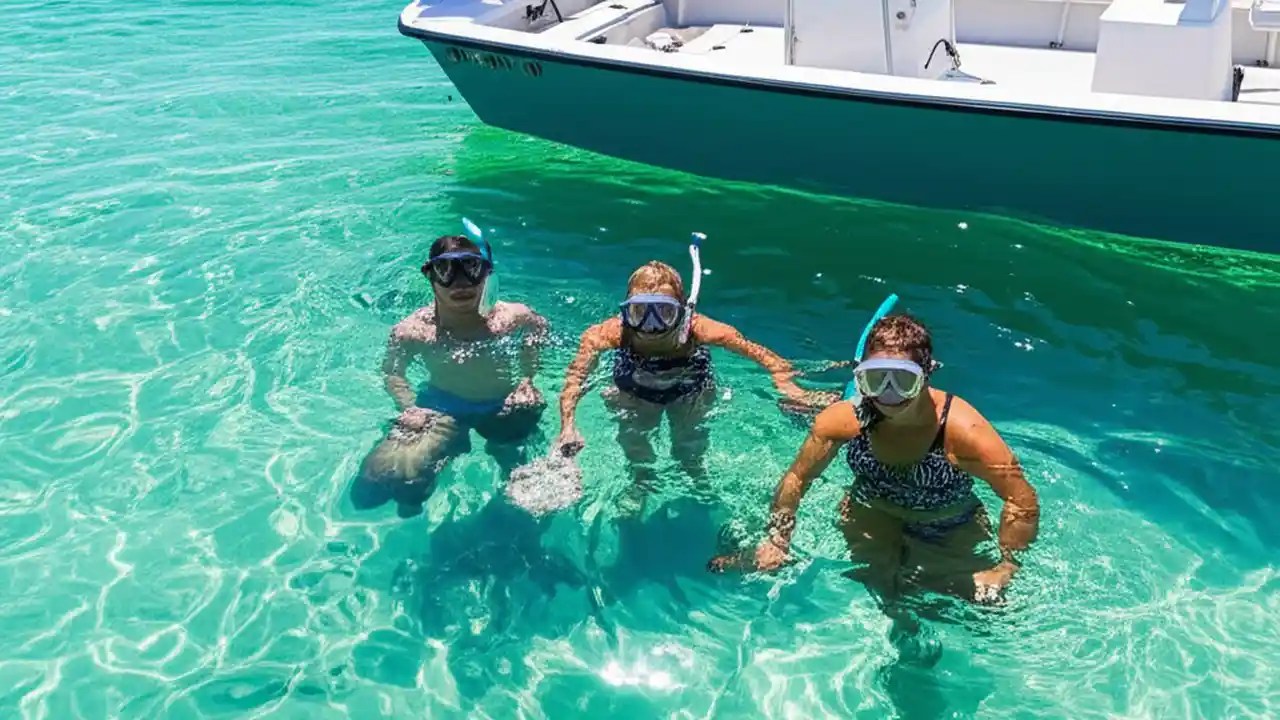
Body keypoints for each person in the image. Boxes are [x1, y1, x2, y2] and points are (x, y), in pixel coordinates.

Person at [710, 313, 1040, 604]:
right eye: (876, 379)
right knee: (880, 588)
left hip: (947, 523)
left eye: (903, 380)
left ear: (927, 374)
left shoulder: (963, 431)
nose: (888, 394)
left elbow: (1020, 499)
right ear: (861, 378)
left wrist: (1006, 567)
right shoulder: (844, 421)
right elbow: (798, 477)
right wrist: (777, 540)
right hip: (869, 512)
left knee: (955, 602)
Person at [553, 260, 832, 500]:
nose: (651, 326)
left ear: (682, 313)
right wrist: (568, 426)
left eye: (663, 313)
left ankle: (697, 478)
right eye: (640, 312)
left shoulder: (702, 329)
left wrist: (787, 385)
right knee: (635, 444)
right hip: (635, 388)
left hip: (690, 386)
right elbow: (574, 380)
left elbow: (765, 356)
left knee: (688, 447)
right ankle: (641, 482)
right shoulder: (609, 333)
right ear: (626, 312)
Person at [350, 232, 549, 518]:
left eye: (471, 269)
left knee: (522, 474)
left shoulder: (511, 317)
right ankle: (422, 489)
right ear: (429, 276)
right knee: (375, 485)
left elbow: (538, 328)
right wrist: (409, 408)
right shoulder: (413, 332)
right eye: (445, 271)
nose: (460, 283)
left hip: (503, 405)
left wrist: (527, 379)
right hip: (441, 407)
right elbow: (393, 373)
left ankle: (508, 506)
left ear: (486, 273)